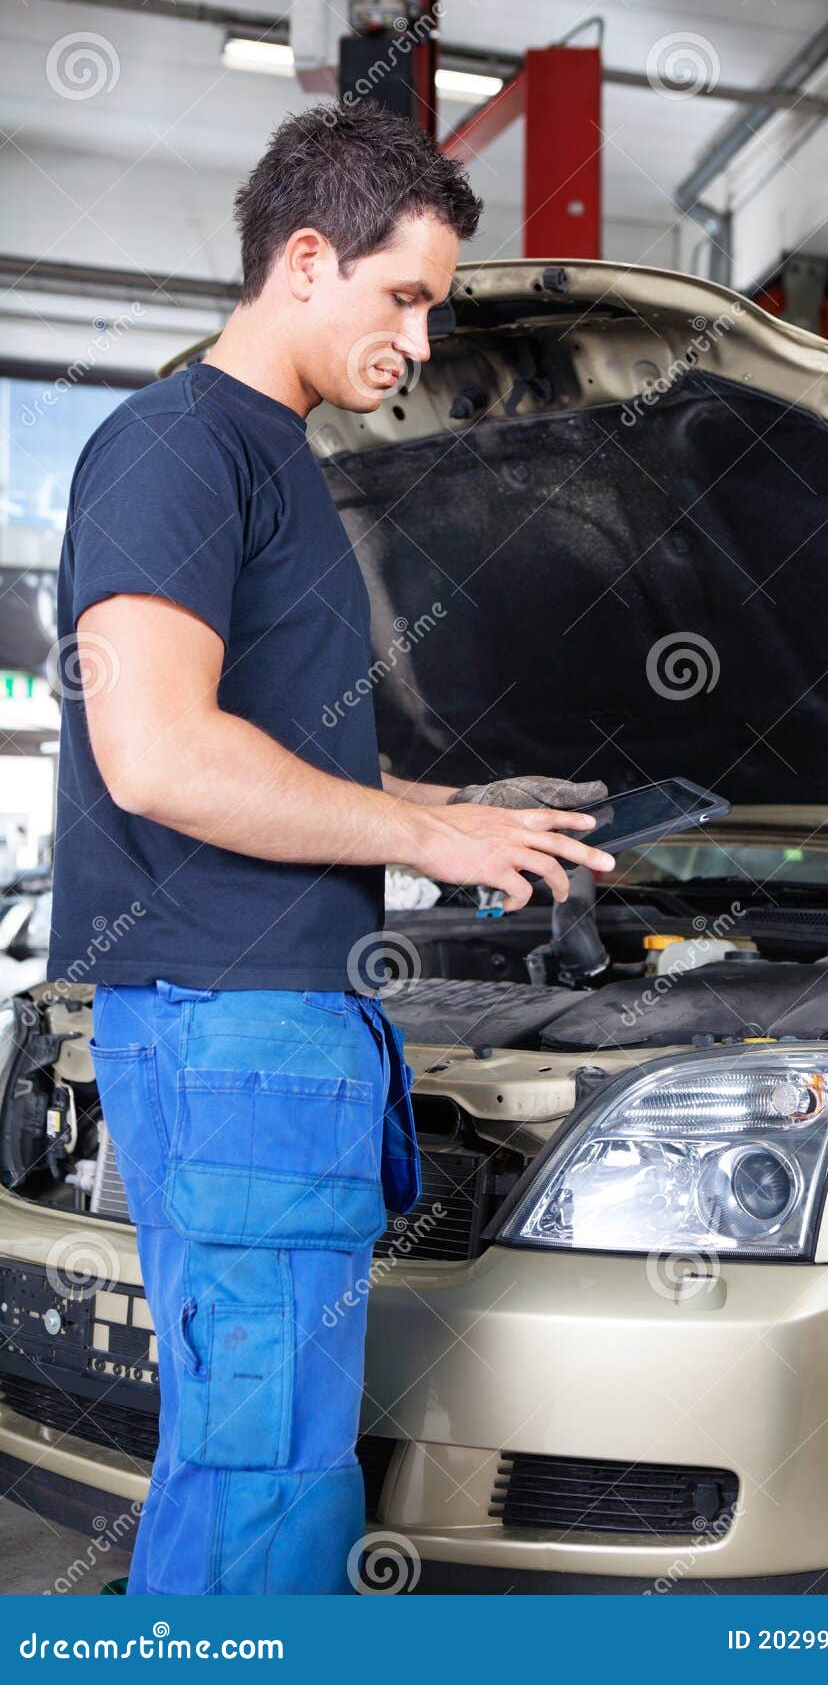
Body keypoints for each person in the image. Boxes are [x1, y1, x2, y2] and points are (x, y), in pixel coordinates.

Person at [46, 98, 614, 1595]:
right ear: (306, 258)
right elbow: (159, 751)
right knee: (267, 1479)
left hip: (284, 1028)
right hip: (232, 1025)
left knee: (259, 1459)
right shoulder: (174, 446)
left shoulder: (279, 462)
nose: (422, 342)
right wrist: (432, 830)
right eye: (406, 296)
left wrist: (459, 805)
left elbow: (281, 743)